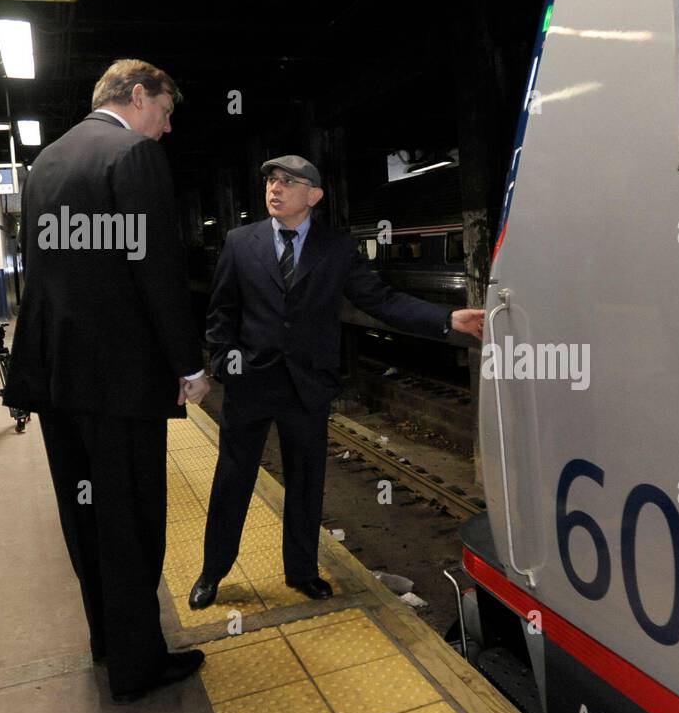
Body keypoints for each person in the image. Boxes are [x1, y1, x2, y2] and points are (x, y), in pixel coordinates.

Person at [2, 59, 211, 703]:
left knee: (85, 514)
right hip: (120, 385)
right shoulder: (132, 155)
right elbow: (156, 271)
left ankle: (107, 640)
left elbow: (41, 271)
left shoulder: (49, 162)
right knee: (132, 519)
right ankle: (138, 666)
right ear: (138, 96)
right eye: (167, 111)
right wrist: (189, 364)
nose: (168, 128)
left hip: (58, 378)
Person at [190, 155, 484, 608]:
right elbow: (222, 312)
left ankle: (302, 571)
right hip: (252, 385)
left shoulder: (336, 247)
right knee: (233, 478)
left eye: (288, 182)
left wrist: (446, 319)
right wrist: (227, 361)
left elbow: (380, 300)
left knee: (307, 482)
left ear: (314, 195)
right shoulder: (239, 242)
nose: (275, 188)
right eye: (271, 180)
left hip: (307, 387)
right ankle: (213, 572)